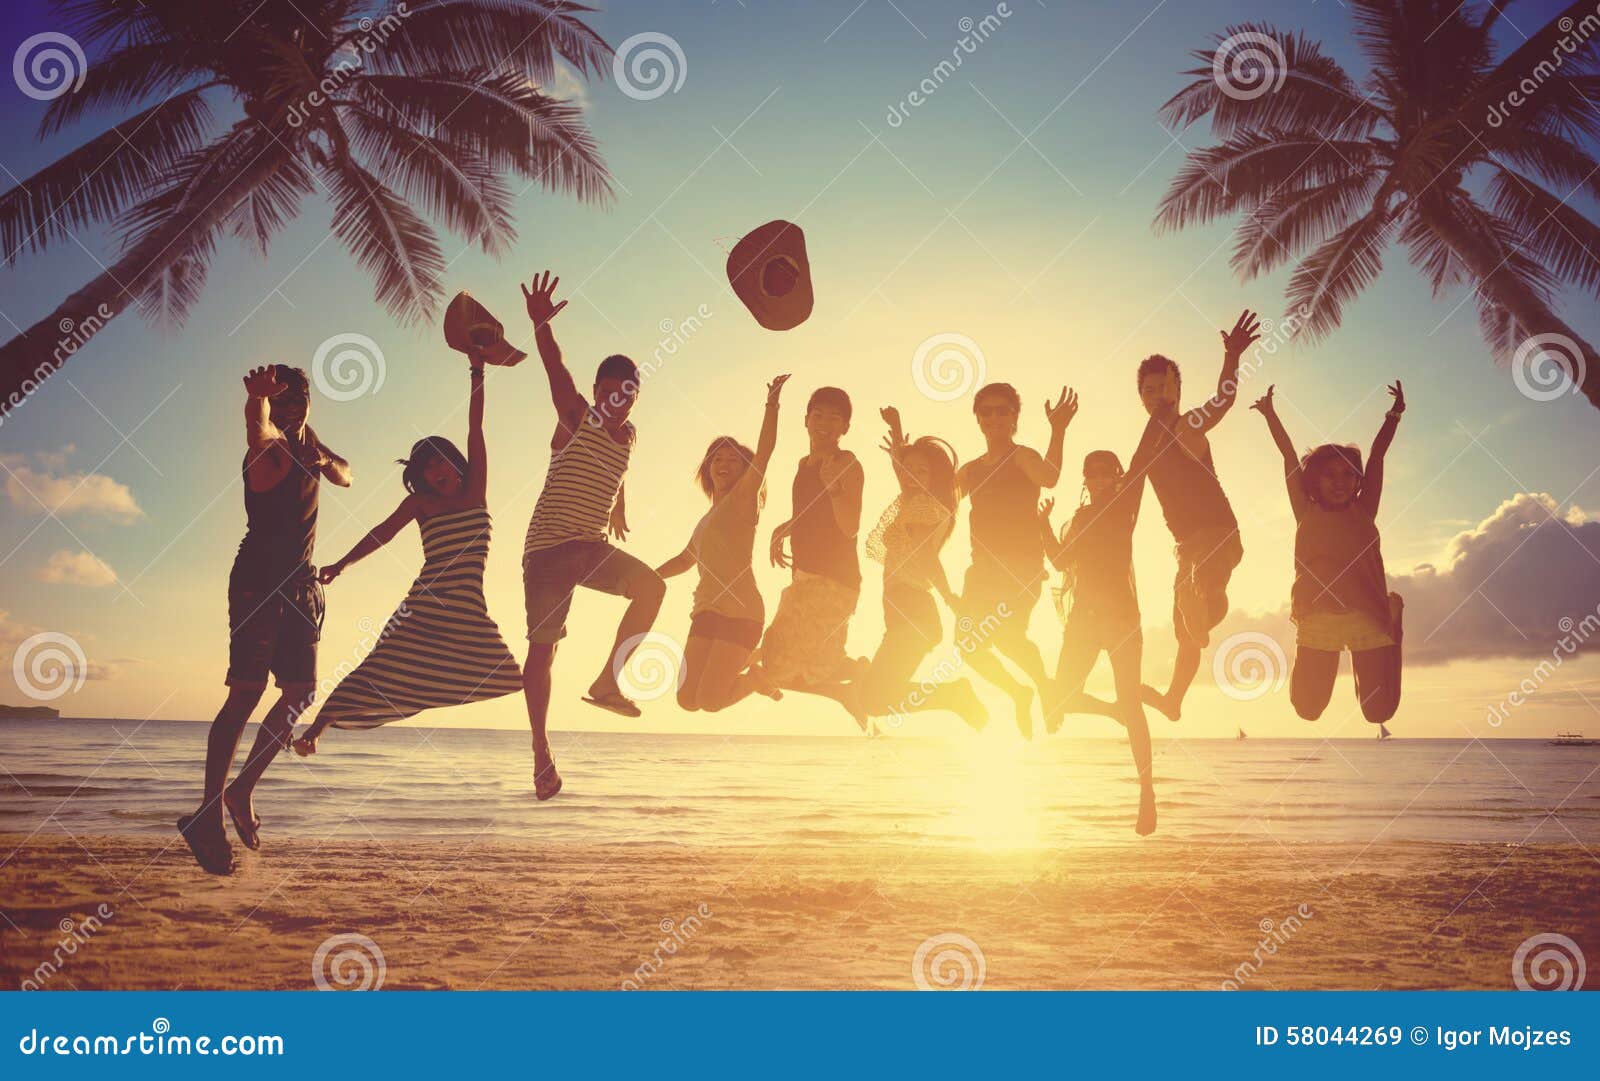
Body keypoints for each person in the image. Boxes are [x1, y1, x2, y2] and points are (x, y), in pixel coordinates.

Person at [291, 349, 524, 755]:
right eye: (430, 468)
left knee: (509, 675)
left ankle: (535, 740)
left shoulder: (476, 493)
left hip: (468, 607)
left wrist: (477, 369)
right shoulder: (421, 505)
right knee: (379, 666)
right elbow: (382, 533)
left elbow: (476, 426)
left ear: (457, 463)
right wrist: (342, 565)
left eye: (444, 463)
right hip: (425, 604)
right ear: (421, 477)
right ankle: (316, 731)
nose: (439, 472)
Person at [178, 365, 350, 874]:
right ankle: (208, 813)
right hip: (257, 582)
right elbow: (257, 428)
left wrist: (322, 454)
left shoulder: (311, 446)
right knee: (246, 693)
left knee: (300, 692)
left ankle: (241, 789)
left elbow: (348, 473)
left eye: (299, 398)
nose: (291, 407)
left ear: (309, 402)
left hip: (300, 585)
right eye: (282, 401)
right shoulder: (268, 447)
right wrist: (256, 401)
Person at [519, 270, 666, 799]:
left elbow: (617, 466)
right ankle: (541, 755)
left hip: (590, 548)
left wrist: (619, 505)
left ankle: (608, 682)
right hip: (548, 553)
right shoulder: (576, 415)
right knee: (543, 651)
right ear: (597, 390)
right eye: (608, 392)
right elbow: (555, 370)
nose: (616, 402)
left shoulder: (628, 436)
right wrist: (541, 325)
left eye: (627, 395)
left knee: (653, 587)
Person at [1251, 381, 1406, 724]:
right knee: (1307, 709)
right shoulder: (1306, 512)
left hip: (1368, 613)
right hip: (1318, 615)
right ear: (1314, 481)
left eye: (1348, 476)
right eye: (1330, 475)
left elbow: (1378, 456)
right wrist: (1270, 416)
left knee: (1378, 713)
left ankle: (1395, 629)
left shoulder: (1365, 510)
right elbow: (1289, 457)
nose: (1339, 482)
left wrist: (1394, 415)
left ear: (1358, 482)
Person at [1137, 309, 1262, 722]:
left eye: (1164, 388)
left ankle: (1209, 603)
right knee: (1184, 630)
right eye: (1149, 390)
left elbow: (1224, 399)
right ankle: (1173, 699)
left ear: (1177, 390)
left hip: (1219, 534)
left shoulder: (1187, 426)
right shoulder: (1146, 447)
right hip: (1187, 547)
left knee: (1198, 590)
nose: (1157, 396)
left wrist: (1233, 356)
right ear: (1141, 397)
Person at [1039, 441, 1160, 835]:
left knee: (1131, 703)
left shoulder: (1125, 507)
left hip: (1121, 616)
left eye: (1107, 471)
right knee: (1060, 698)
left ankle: (1147, 794)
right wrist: (1042, 524)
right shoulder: (1081, 516)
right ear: (1085, 480)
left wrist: (1158, 418)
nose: (1098, 478)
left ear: (1118, 476)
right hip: (1084, 619)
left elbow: (1141, 462)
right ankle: (1113, 711)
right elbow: (1059, 561)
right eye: (1092, 472)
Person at [658, 375, 791, 713]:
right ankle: (752, 669)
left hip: (740, 612)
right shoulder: (706, 519)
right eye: (717, 459)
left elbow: (766, 452)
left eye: (733, 460)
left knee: (710, 701)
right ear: (707, 468)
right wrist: (646, 576)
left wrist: (772, 403)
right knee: (687, 700)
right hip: (705, 610)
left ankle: (753, 679)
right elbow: (685, 559)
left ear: (745, 470)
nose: (724, 465)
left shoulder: (744, 500)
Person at [956, 381, 1077, 739]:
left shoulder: (1022, 457)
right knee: (967, 646)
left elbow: (1050, 477)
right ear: (978, 419)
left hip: (1019, 569)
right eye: (986, 411)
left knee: (1009, 638)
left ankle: (1043, 686)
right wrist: (902, 446)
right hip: (980, 572)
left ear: (1014, 418)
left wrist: (1058, 429)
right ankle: (1020, 691)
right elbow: (936, 503)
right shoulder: (969, 470)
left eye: (1003, 410)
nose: (994, 417)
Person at [859, 407, 985, 730]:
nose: (912, 475)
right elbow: (902, 467)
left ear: (935, 478)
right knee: (874, 698)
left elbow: (926, 558)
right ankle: (953, 696)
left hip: (913, 609)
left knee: (874, 699)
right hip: (904, 610)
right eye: (910, 469)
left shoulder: (924, 506)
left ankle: (954, 695)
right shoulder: (913, 500)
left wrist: (949, 597)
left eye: (922, 471)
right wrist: (898, 428)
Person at [761, 386, 868, 728]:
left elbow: (850, 527)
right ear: (806, 420)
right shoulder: (804, 464)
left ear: (845, 427)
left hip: (833, 580)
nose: (824, 422)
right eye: (818, 415)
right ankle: (849, 685)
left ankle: (856, 675)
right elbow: (814, 513)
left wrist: (834, 486)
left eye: (834, 417)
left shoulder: (846, 463)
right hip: (806, 578)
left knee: (774, 664)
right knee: (782, 666)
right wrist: (787, 527)